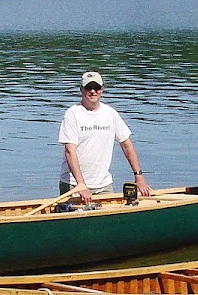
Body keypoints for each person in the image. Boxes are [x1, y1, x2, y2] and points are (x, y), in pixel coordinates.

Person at [58, 71, 152, 204]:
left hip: (103, 185)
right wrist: (81, 184)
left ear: (102, 89)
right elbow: (70, 151)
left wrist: (138, 176)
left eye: (96, 88)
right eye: (88, 88)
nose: (92, 91)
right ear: (81, 90)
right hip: (74, 185)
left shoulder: (110, 113)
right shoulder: (72, 114)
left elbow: (126, 145)